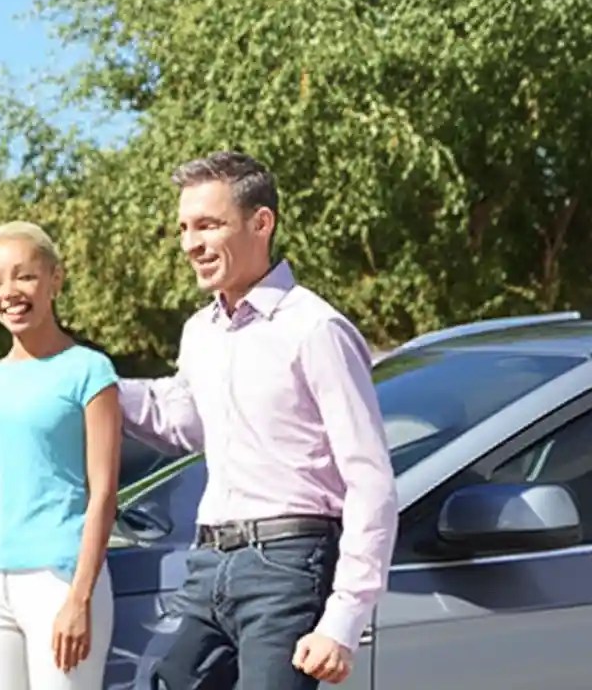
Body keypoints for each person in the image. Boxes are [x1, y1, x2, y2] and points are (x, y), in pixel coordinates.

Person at [119, 151, 398, 688]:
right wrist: (88, 384)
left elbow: (371, 479)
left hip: (288, 566)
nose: (190, 244)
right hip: (208, 566)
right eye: (184, 228)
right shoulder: (202, 331)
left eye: (208, 225)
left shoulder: (316, 329)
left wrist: (342, 620)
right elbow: (183, 422)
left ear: (261, 222)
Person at [0, 221, 122, 690]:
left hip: (58, 580)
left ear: (55, 279)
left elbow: (103, 495)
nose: (9, 292)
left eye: (24, 276)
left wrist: (80, 597)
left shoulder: (89, 371)